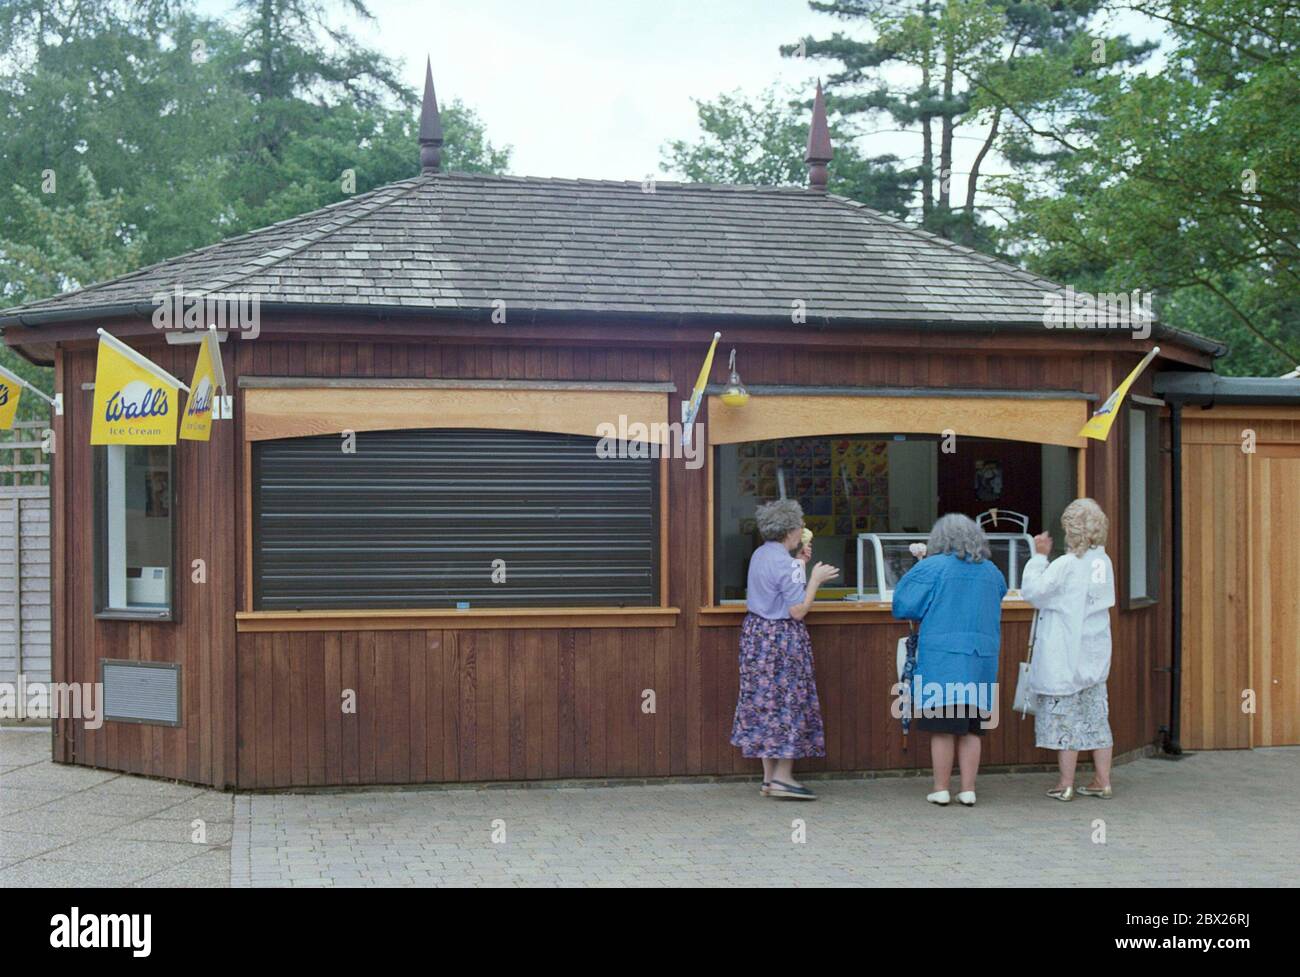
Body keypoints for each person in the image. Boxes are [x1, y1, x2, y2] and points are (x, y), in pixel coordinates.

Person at [893, 514, 1007, 807]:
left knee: (942, 728)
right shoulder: (991, 571)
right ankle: (968, 790)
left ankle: (941, 788)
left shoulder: (933, 567)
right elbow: (1001, 595)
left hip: (942, 660)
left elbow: (904, 605)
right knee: (972, 728)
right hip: (981, 660)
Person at [730, 499, 839, 800]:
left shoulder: (760, 554)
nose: (803, 529)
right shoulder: (788, 564)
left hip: (756, 637)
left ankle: (768, 779)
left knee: (766, 704)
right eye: (800, 525)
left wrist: (800, 564)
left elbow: (779, 585)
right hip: (782, 641)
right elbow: (798, 610)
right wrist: (814, 578)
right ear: (791, 530)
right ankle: (783, 777)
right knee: (789, 703)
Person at [1022, 498, 1116, 801]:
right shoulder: (1103, 562)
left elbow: (1034, 593)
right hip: (1094, 651)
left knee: (1067, 721)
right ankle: (1103, 780)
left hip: (1064, 652)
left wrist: (1038, 558)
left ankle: (1066, 784)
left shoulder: (1065, 565)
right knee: (1096, 718)